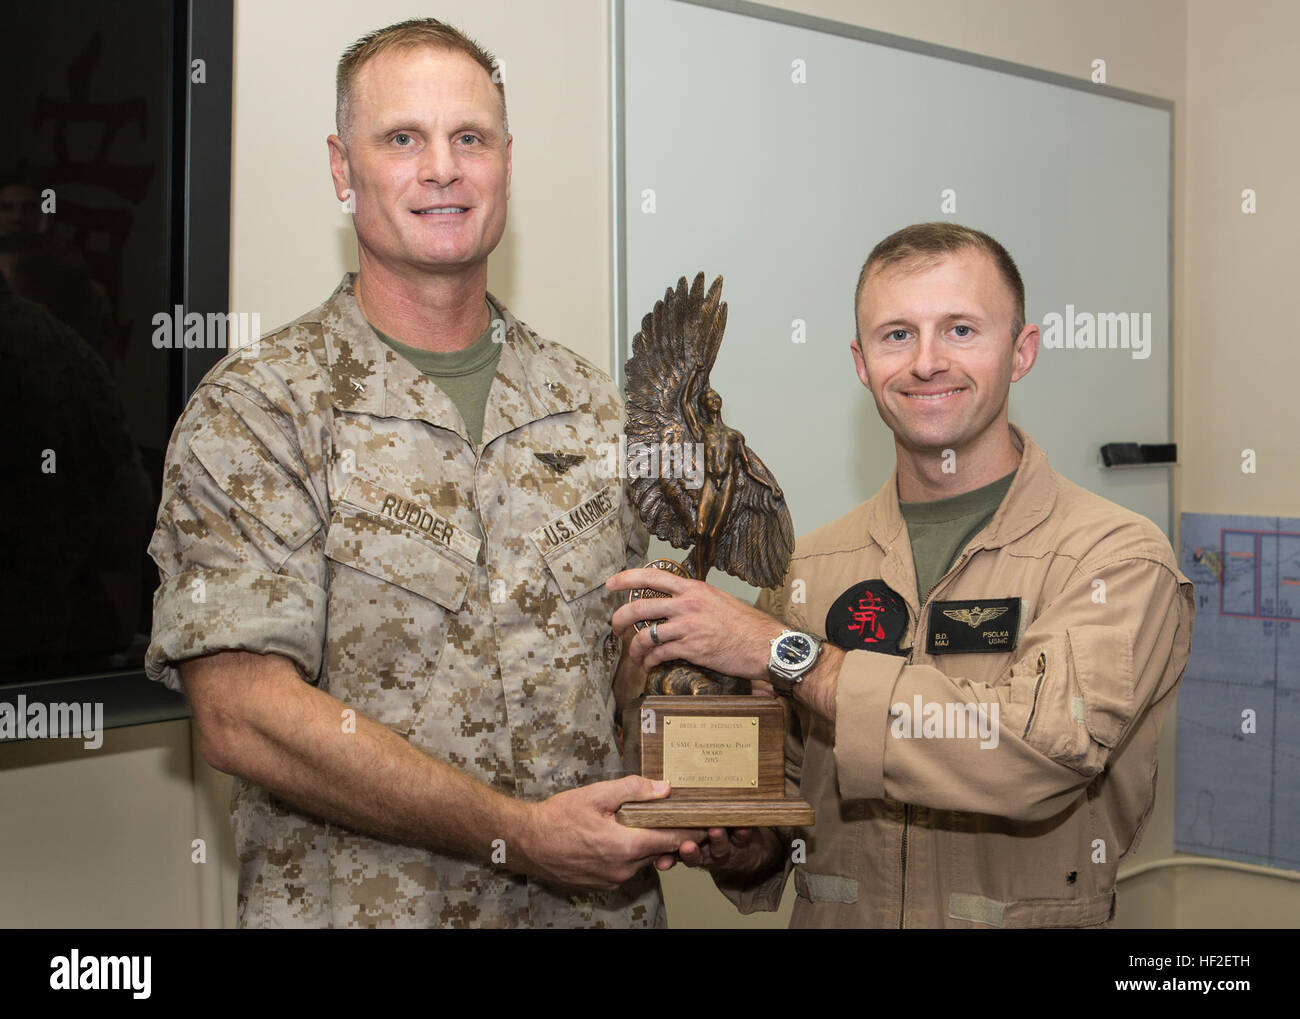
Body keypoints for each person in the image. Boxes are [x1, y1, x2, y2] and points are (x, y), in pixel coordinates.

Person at [144, 17, 700, 929]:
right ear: (341, 167)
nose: (441, 167)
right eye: (402, 138)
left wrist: (725, 800)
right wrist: (519, 833)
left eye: (469, 138)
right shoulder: (262, 410)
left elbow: (632, 677)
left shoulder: (597, 408)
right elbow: (242, 714)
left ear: (505, 165)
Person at [611, 222, 1195, 928]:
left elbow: (1035, 755)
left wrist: (783, 652)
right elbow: (792, 789)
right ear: (862, 363)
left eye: (960, 330)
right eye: (897, 335)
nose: (926, 362)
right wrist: (746, 845)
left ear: (1022, 351)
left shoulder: (1113, 558)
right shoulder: (812, 566)